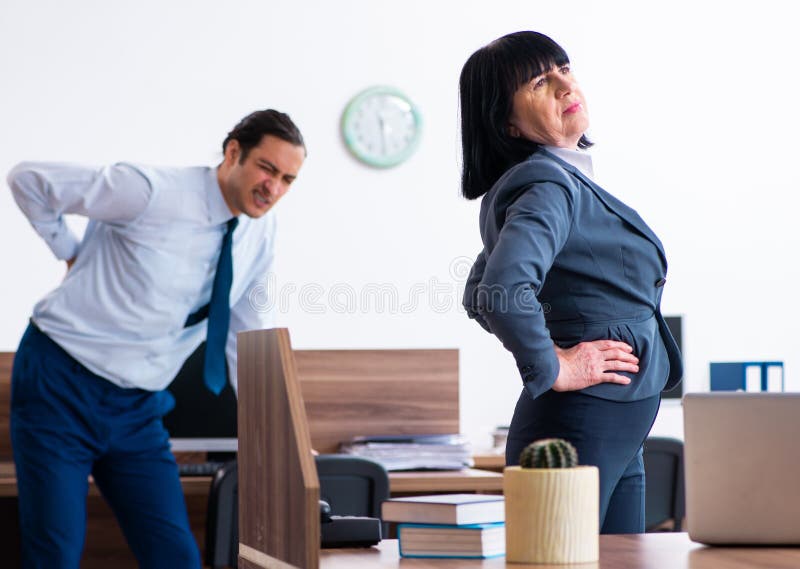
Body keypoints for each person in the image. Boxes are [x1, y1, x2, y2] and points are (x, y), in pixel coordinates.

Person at [7, 109, 306, 567]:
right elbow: (29, 180)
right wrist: (70, 253)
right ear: (233, 153)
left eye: (287, 179)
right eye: (267, 169)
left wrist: (277, 434)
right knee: (55, 553)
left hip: (137, 405)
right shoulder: (151, 191)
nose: (275, 188)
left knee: (176, 556)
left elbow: (245, 332)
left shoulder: (259, 233)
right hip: (60, 382)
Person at [459, 31, 682, 533]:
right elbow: (499, 292)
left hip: (614, 421)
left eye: (563, 68)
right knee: (559, 559)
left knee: (619, 560)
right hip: (582, 421)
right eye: (540, 81)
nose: (564, 85)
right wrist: (554, 364)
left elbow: (478, 292)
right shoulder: (547, 185)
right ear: (507, 123)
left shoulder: (557, 181)